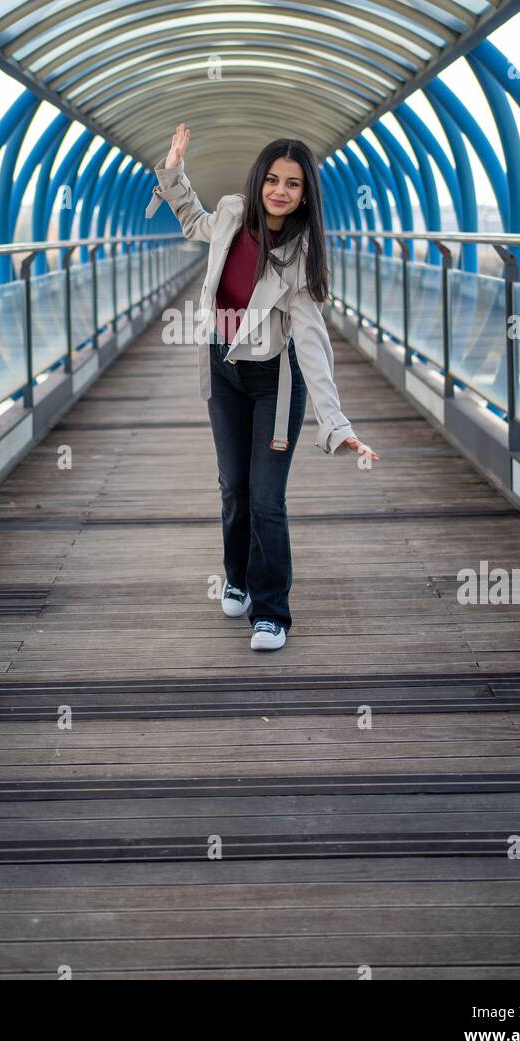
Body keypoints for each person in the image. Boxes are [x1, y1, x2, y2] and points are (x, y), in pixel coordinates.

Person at [145, 123, 379, 651]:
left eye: (292, 184)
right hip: (222, 369)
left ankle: (272, 611)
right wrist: (175, 171)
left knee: (267, 499)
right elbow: (192, 222)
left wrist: (336, 424)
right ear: (259, 181)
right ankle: (237, 577)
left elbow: (314, 345)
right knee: (234, 486)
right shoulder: (231, 212)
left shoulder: (301, 258)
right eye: (272, 179)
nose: (279, 190)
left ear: (304, 194)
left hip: (276, 381)